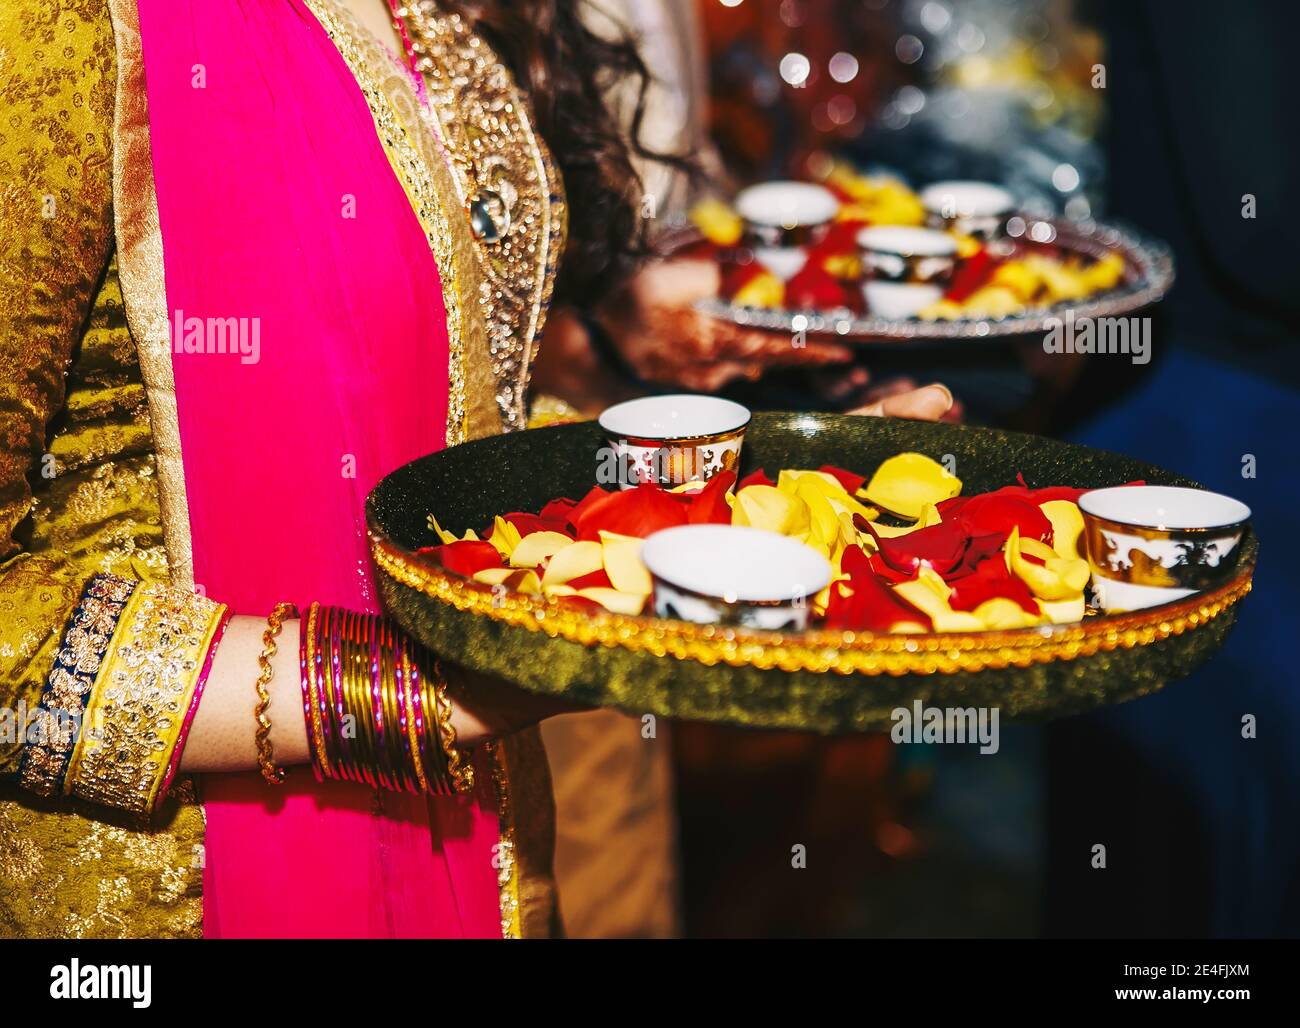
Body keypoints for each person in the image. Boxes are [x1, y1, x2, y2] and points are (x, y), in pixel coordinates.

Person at [0, 0, 949, 939]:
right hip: (169, 893)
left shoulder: (436, 14)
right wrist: (421, 692)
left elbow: (465, 408)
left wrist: (730, 498)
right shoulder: (61, 30)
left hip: (493, 847)